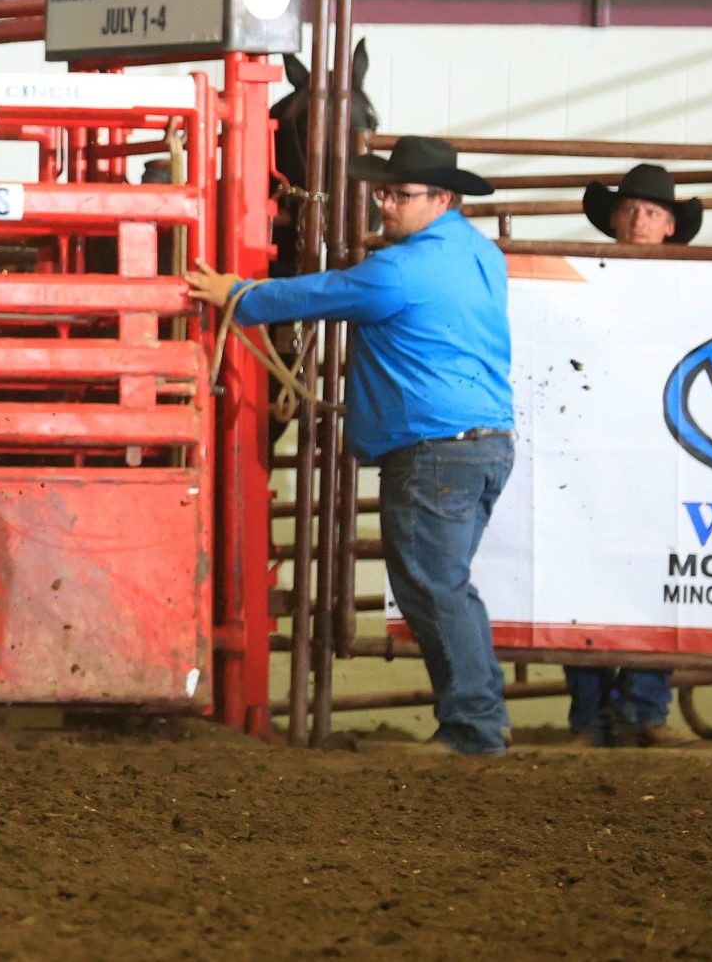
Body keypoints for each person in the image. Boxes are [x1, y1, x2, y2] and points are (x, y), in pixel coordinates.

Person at [188, 136, 516, 756]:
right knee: (444, 584)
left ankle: (475, 726)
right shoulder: (479, 253)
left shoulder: (402, 270)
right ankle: (480, 718)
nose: (385, 204)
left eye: (399, 194)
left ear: (441, 198)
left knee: (435, 587)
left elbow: (324, 293)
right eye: (384, 192)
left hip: (434, 449)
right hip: (482, 444)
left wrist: (239, 295)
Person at [564, 163, 705, 749]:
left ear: (669, 225)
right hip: (602, 445)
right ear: (614, 219)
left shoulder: (692, 287)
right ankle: (605, 712)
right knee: (587, 571)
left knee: (652, 570)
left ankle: (634, 707)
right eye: (630, 209)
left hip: (650, 448)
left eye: (651, 212)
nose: (639, 219)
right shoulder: (584, 279)